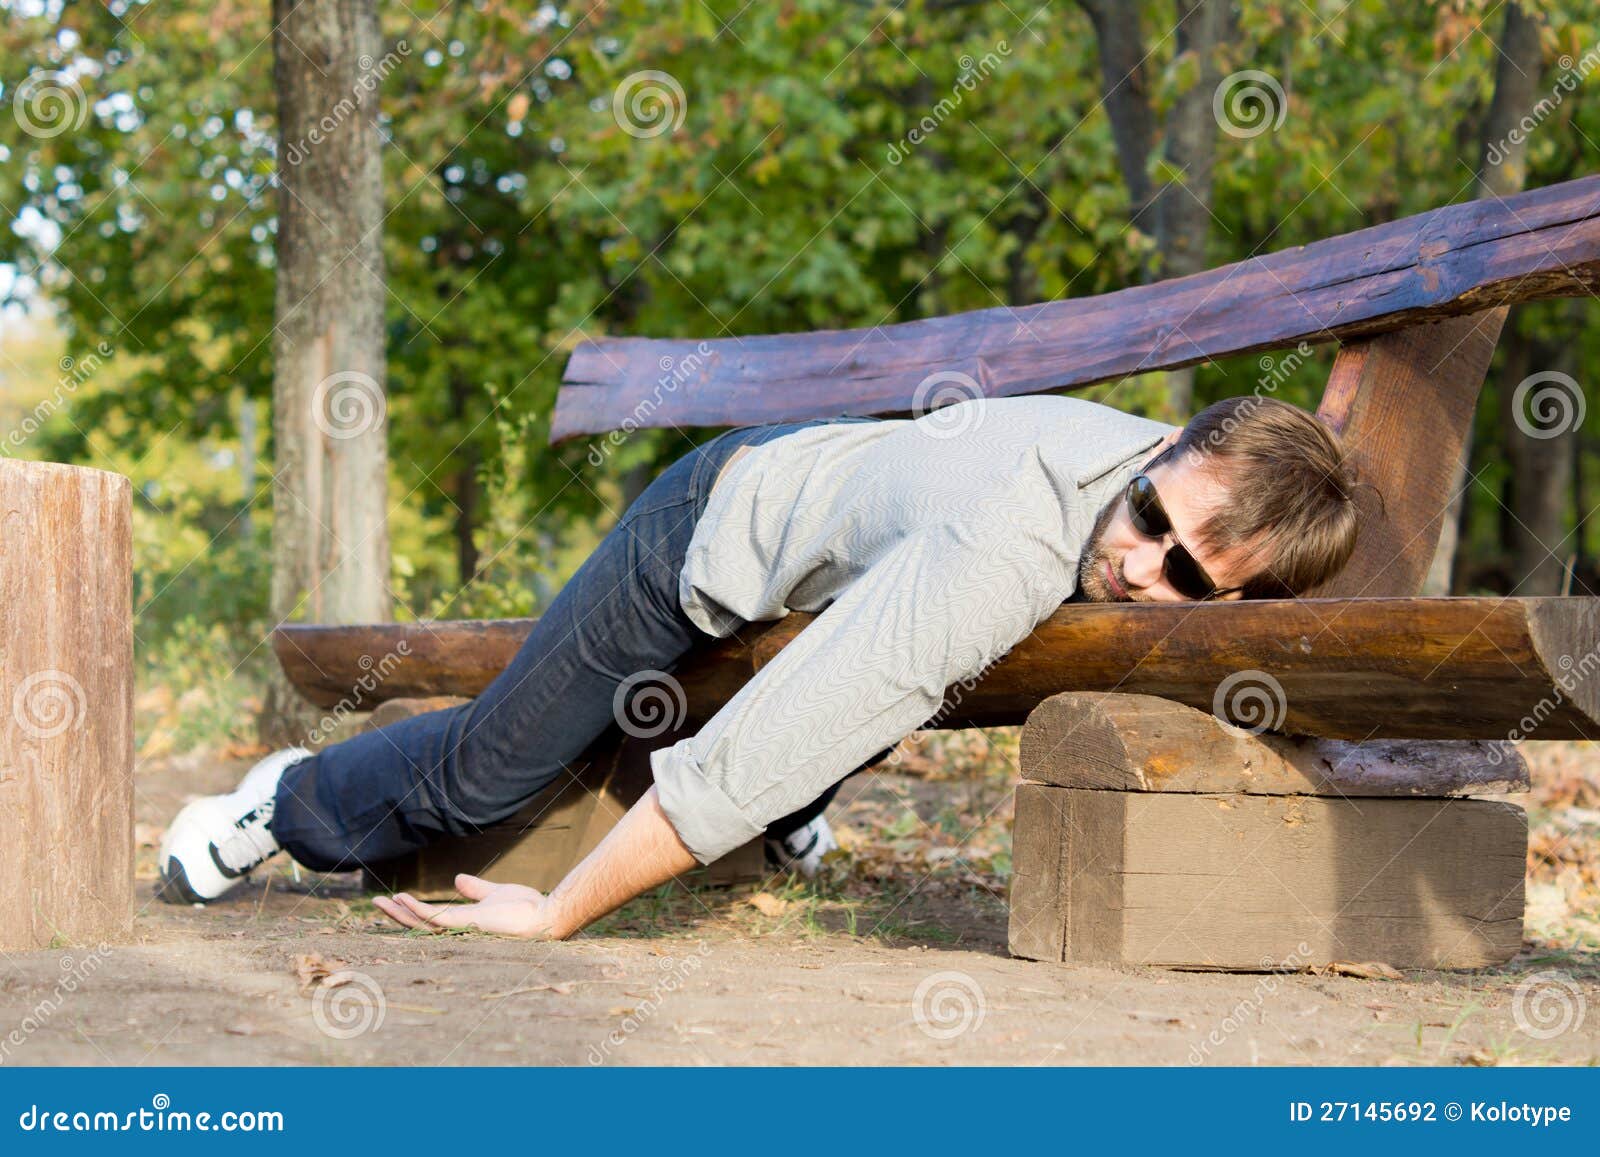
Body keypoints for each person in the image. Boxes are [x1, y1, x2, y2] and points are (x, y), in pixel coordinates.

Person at [158, 392, 1361, 940]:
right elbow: (755, 744)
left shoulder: (1123, 503)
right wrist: (560, 913)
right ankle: (283, 799)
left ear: (1238, 592)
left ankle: (798, 821)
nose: (1142, 562)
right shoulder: (1004, 552)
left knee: (879, 678)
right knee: (487, 779)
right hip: (709, 530)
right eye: (1150, 513)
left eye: (1191, 578)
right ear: (1158, 448)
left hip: (843, 554)